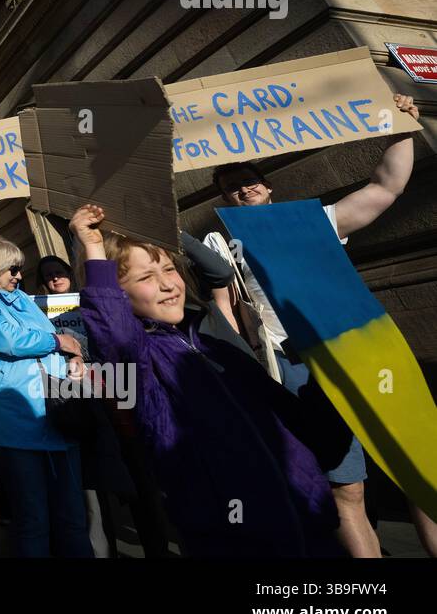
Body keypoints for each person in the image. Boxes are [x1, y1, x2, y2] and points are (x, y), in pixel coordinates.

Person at [211, 92, 420, 558]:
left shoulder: (316, 221)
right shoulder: (224, 246)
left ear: (268, 187)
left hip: (363, 357)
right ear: (225, 201)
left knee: (417, 470)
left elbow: (386, 188)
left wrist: (401, 126)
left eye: (249, 181)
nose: (243, 189)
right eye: (231, 187)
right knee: (348, 489)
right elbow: (226, 313)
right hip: (298, 369)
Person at [70, 204, 344, 556]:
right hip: (235, 537)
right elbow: (117, 336)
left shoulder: (214, 340)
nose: (168, 284)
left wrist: (328, 388)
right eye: (145, 277)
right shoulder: (140, 363)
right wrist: (93, 247)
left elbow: (292, 420)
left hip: (309, 517)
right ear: (118, 296)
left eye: (169, 269)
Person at [0, 236, 93, 558]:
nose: (19, 275)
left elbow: (56, 341)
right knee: (33, 520)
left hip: (58, 415)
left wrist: (74, 357)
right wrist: (59, 341)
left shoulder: (21, 298)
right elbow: (12, 340)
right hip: (15, 425)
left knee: (73, 518)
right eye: (12, 269)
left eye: (20, 269)